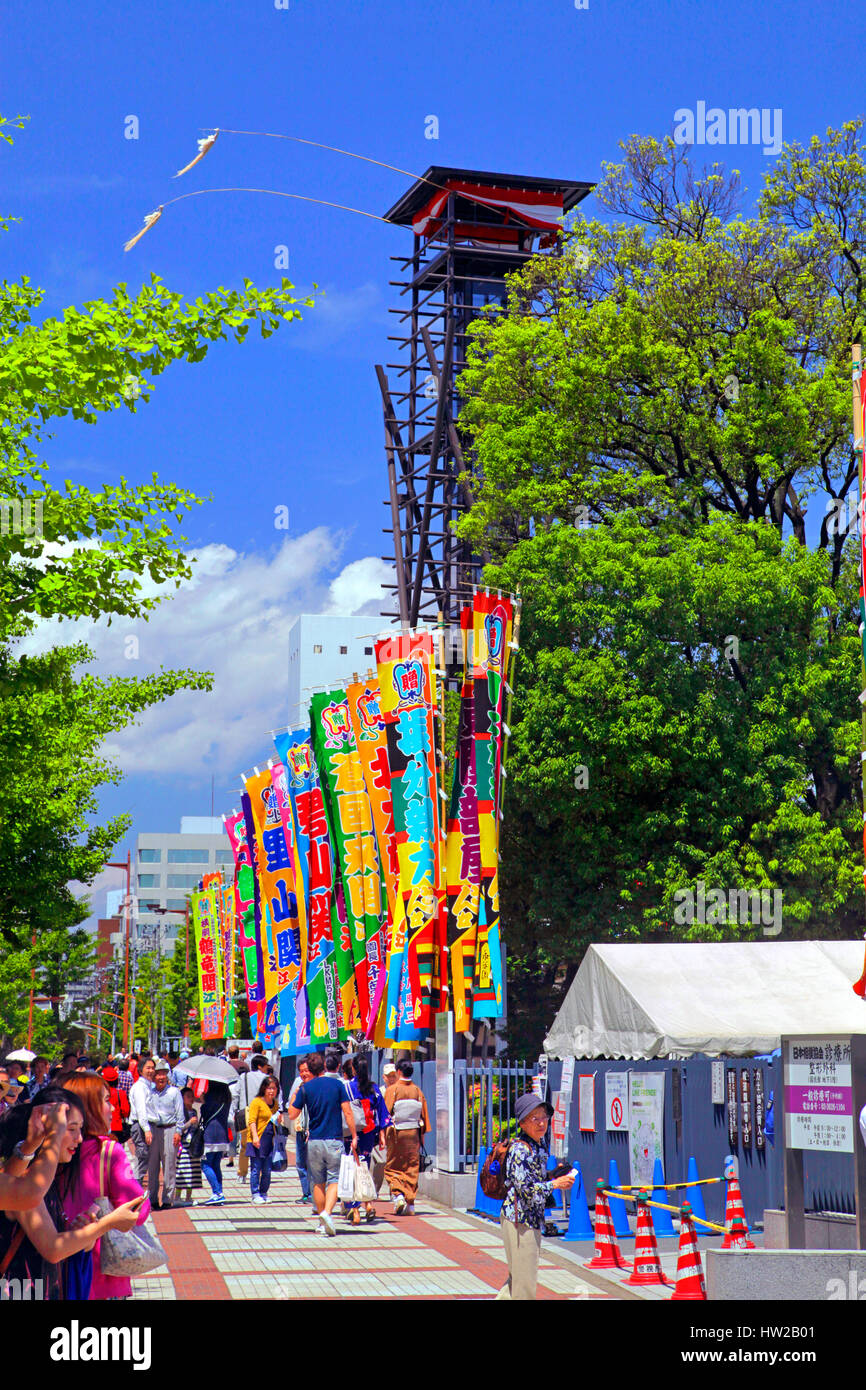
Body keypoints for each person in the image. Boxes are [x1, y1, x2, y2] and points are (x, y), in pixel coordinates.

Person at [0, 1087, 144, 1301]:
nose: (79, 1139)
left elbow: (58, 1245)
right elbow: (53, 1248)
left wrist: (84, 1232)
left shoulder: (42, 1177)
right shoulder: (28, 1181)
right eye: (71, 1129)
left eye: (81, 1129)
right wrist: (109, 1223)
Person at [60, 1072, 152, 1300]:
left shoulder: (47, 1154)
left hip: (52, 1265)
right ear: (88, 1107)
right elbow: (137, 1212)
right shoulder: (108, 1152)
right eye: (106, 1100)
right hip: (98, 1271)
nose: (112, 1109)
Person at [496, 1093, 575, 1301]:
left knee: (518, 1280)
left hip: (527, 1219)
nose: (542, 1123)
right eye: (535, 1118)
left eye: (544, 1117)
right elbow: (527, 1190)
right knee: (525, 1283)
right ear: (522, 1123)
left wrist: (552, 1175)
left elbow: (533, 1179)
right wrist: (555, 1184)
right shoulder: (521, 1149)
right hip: (520, 1221)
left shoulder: (537, 1144)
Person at [287, 1051, 357, 1237]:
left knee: (317, 1182)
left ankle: (321, 1221)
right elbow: (348, 1113)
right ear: (324, 1067)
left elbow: (292, 1114)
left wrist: (296, 1093)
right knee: (334, 1179)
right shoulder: (337, 1085)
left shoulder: (306, 1088)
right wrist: (354, 1135)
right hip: (334, 1140)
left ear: (310, 1069)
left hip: (314, 1141)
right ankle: (327, 1213)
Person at [344, 1056, 390, 1225]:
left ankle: (355, 1209)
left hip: (352, 1133)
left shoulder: (347, 1088)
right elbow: (382, 1113)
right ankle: (368, 1204)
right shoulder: (374, 1089)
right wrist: (383, 1136)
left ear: (354, 1069)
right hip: (369, 1134)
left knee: (352, 1169)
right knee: (365, 1168)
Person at [383, 1061, 430, 1216]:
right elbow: (424, 1116)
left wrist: (382, 1135)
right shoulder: (417, 1091)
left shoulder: (393, 1090)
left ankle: (399, 1195)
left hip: (397, 1133)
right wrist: (421, 1136)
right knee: (411, 1166)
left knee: (393, 1166)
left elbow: (385, 1114)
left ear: (398, 1072)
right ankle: (410, 1203)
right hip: (414, 1133)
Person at [143, 1062, 184, 1210]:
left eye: (163, 1074)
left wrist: (178, 1132)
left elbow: (180, 1114)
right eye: (158, 1074)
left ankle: (167, 1198)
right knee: (153, 1166)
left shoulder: (174, 1092)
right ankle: (152, 1198)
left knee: (169, 1165)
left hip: (170, 1129)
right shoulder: (150, 1092)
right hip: (154, 1130)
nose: (161, 1077)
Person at [231, 1056, 269, 1186]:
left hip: (246, 1114)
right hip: (262, 1116)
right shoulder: (266, 1079)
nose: (267, 1068)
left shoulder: (243, 1077)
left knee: (244, 1146)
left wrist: (234, 1111)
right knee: (260, 1145)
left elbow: (236, 1095)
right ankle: (257, 1173)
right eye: (265, 1065)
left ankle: (242, 1174)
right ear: (260, 1066)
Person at [246, 1075, 280, 1205]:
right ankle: (255, 1193)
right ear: (264, 1089)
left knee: (267, 1169)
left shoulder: (275, 1104)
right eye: (269, 1088)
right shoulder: (257, 1102)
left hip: (270, 1141)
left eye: (274, 1088)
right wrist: (254, 1136)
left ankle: (264, 1192)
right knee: (256, 1168)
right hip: (257, 1139)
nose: (272, 1091)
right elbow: (252, 1120)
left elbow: (274, 1120)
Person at [199, 1082, 232, 1206]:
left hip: (210, 1135)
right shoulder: (227, 1097)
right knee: (216, 1165)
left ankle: (217, 1192)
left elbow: (204, 1113)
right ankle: (219, 1193)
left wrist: (203, 1100)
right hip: (223, 1134)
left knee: (206, 1165)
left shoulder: (210, 1097)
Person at [287, 1060, 312, 1204]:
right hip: (300, 1129)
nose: (304, 1073)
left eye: (306, 1070)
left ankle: (314, 1194)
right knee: (300, 1163)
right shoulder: (298, 1084)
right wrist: (296, 1093)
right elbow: (291, 1108)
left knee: (313, 1164)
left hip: (313, 1131)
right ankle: (306, 1193)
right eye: (301, 1071)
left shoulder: (316, 1086)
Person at [128, 1057, 156, 1183]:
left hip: (145, 1126)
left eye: (152, 1068)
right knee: (142, 1158)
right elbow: (141, 1110)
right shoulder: (139, 1087)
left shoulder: (149, 1086)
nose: (151, 1071)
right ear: (140, 1070)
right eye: (148, 1068)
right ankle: (135, 1191)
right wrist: (146, 1129)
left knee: (144, 1160)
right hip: (140, 1126)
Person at [174, 1088, 202, 1206]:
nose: (191, 1099)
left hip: (193, 1145)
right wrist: (190, 1122)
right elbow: (179, 1128)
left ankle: (188, 1197)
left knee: (193, 1171)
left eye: (192, 1096)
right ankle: (177, 1197)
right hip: (184, 1145)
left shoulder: (194, 1111)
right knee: (182, 1170)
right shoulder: (181, 1112)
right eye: (188, 1096)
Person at [100, 1064, 131, 1146]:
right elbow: (125, 1111)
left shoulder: (98, 1093)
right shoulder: (120, 1093)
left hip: (101, 1127)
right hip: (117, 1128)